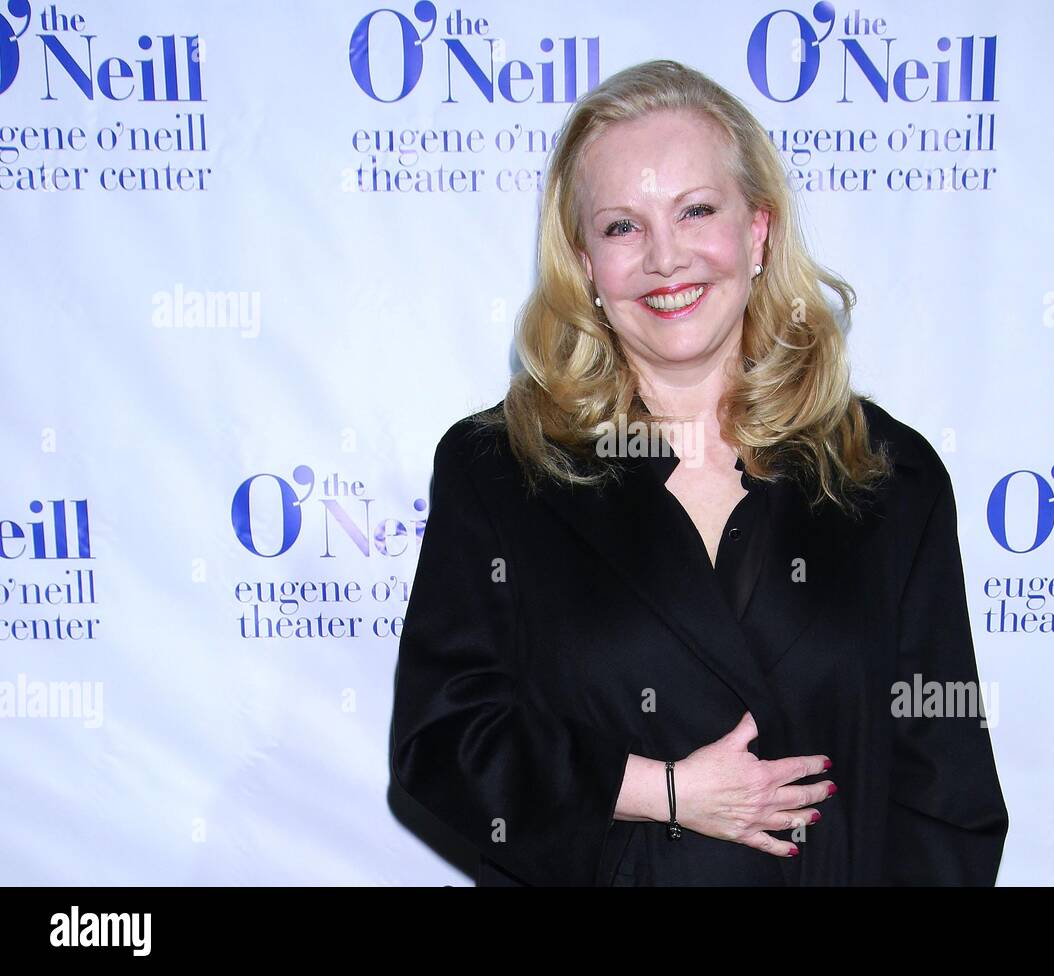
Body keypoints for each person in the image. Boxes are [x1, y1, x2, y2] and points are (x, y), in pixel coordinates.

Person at [388, 59, 1009, 886]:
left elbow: (947, 795)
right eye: (622, 227)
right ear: (585, 266)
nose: (666, 259)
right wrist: (661, 791)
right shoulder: (500, 469)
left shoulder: (888, 475)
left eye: (696, 211)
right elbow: (443, 744)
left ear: (757, 232)